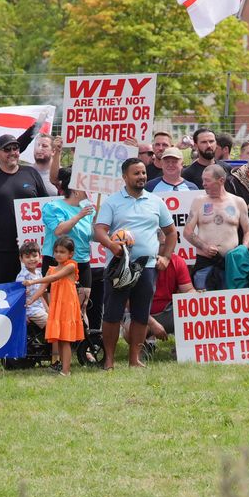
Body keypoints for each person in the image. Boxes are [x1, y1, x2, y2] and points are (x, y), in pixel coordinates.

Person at [94, 158, 177, 369]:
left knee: (141, 313)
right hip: (119, 267)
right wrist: (112, 246)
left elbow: (171, 232)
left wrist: (166, 257)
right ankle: (109, 360)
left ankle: (135, 359)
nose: (141, 177)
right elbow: (100, 230)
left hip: (147, 266)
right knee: (113, 314)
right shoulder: (112, 202)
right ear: (124, 177)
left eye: (143, 173)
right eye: (136, 173)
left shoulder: (156, 201)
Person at [0, 130, 47, 285]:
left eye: (16, 148)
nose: (12, 152)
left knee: (32, 296)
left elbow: (46, 206)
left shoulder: (31, 173)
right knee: (0, 295)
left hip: (31, 250)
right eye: (7, 149)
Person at [182, 165, 249, 291]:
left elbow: (248, 231)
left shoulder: (238, 202)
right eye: (203, 180)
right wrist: (204, 246)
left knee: (231, 305)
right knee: (204, 306)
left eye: (207, 180)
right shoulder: (199, 202)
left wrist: (243, 248)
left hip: (230, 264)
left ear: (221, 180)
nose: (203, 184)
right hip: (205, 263)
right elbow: (187, 232)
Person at [24, 235, 84, 374]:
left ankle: (66, 370)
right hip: (57, 306)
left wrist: (32, 282)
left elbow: (55, 277)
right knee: (61, 339)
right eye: (56, 251)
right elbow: (43, 287)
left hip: (67, 306)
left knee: (66, 339)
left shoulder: (71, 266)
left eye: (62, 252)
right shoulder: (51, 269)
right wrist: (31, 300)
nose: (58, 254)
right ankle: (63, 367)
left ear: (71, 254)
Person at [41, 168, 95, 321]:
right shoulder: (53, 206)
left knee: (81, 307)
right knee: (59, 310)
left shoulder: (89, 210)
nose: (90, 191)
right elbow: (59, 230)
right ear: (76, 190)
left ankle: (83, 343)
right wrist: (79, 215)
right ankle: (60, 344)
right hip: (57, 263)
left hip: (82, 263)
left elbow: (92, 235)